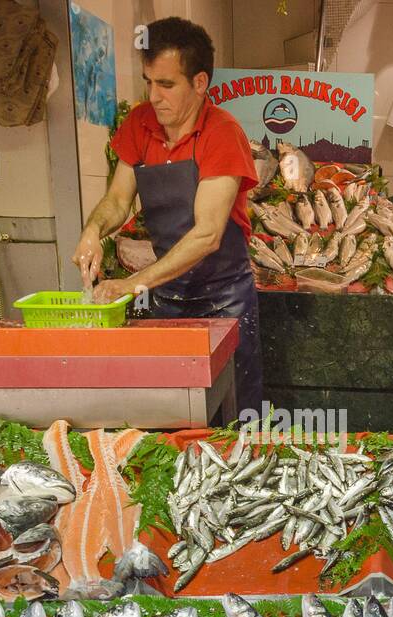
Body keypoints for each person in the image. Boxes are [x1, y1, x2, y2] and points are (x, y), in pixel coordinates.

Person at [73, 17, 261, 412]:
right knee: (171, 409)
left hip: (225, 299)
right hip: (167, 296)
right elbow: (117, 201)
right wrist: (93, 231)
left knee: (235, 413)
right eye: (148, 82)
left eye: (167, 84)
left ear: (199, 83)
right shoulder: (140, 124)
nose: (154, 96)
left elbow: (208, 234)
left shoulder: (222, 133)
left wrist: (134, 283)